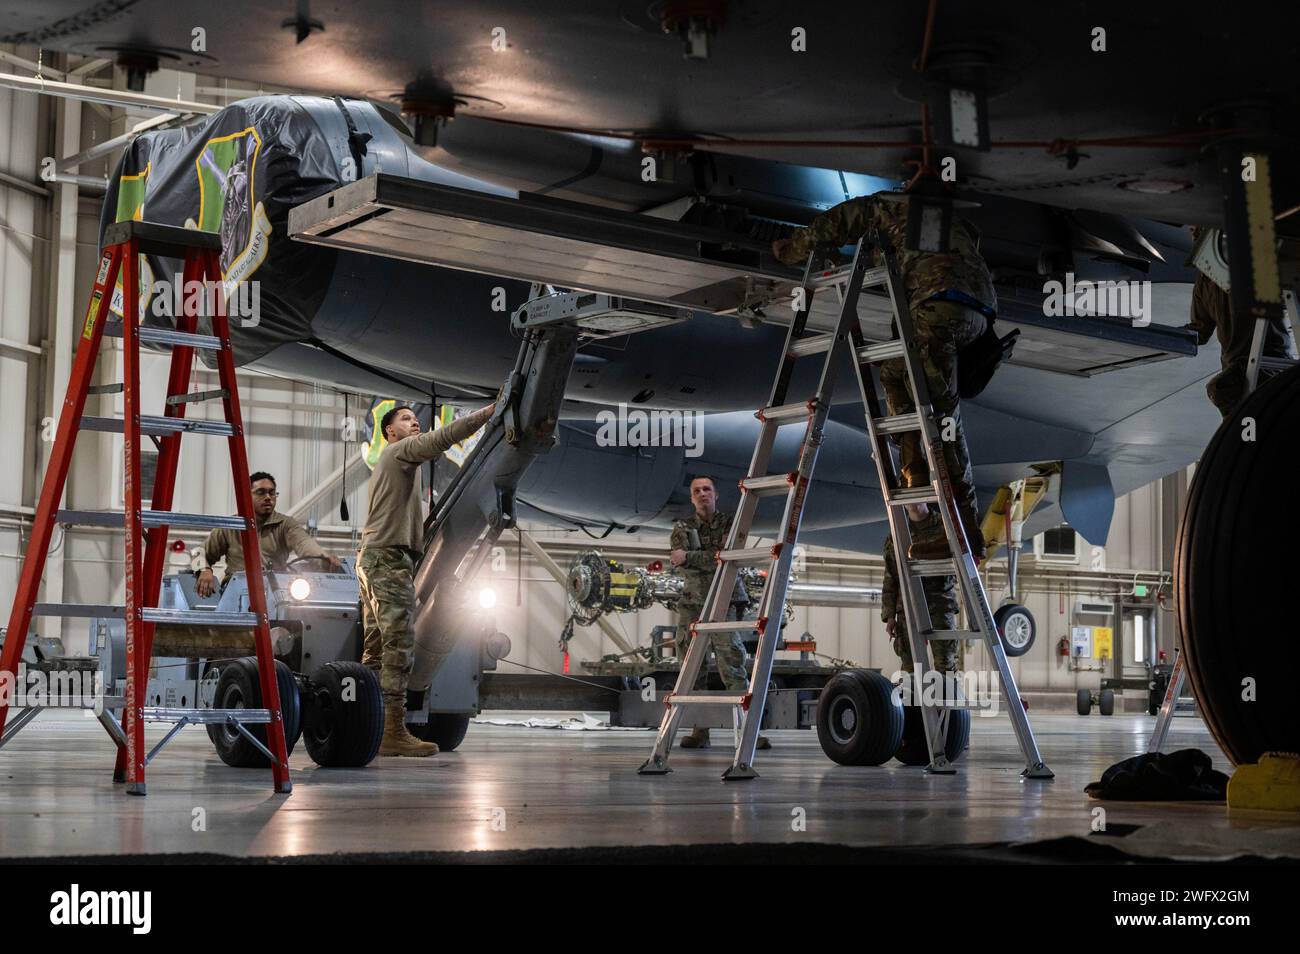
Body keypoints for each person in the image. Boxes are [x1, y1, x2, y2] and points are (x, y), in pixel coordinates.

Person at [773, 192, 995, 559]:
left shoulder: (890, 205)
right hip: (977, 312)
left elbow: (836, 222)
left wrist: (790, 249)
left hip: (938, 304)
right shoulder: (944, 217)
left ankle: (966, 529)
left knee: (942, 421)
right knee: (895, 373)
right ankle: (917, 476)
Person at [358, 403, 494, 757]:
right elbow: (443, 438)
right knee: (401, 644)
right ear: (389, 432)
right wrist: (486, 414)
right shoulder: (401, 451)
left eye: (413, 416)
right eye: (404, 418)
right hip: (388, 558)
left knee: (376, 648)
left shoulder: (396, 462)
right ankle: (392, 731)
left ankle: (365, 723)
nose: (413, 420)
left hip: (373, 556)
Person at [669, 475, 770, 750]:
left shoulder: (731, 523)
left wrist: (691, 555)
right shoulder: (682, 527)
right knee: (692, 667)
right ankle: (700, 730)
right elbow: (682, 562)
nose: (703, 494)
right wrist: (712, 556)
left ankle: (749, 731)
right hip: (693, 604)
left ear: (716, 494)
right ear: (692, 498)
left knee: (732, 663)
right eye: (697, 491)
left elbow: (729, 556)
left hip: (724, 602)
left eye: (707, 489)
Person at [1185, 230, 1290, 416]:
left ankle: (1239, 438)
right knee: (1229, 398)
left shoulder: (1249, 264)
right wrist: (1162, 338)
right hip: (1235, 368)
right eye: (1193, 231)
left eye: (1199, 229)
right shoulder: (1203, 282)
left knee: (1221, 391)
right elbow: (1199, 331)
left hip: (1268, 359)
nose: (1195, 235)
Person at [195, 471, 340, 597]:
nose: (268, 497)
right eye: (261, 492)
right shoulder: (231, 526)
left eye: (272, 492)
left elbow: (305, 544)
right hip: (236, 592)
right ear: (246, 495)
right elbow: (199, 553)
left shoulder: (286, 524)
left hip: (276, 592)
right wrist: (205, 570)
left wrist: (324, 558)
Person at [880, 503, 959, 677]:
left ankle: (947, 704)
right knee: (910, 669)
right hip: (908, 608)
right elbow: (891, 577)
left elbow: (958, 567)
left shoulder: (945, 525)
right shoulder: (897, 532)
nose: (911, 503)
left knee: (945, 666)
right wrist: (890, 616)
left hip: (940, 605)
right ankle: (914, 704)